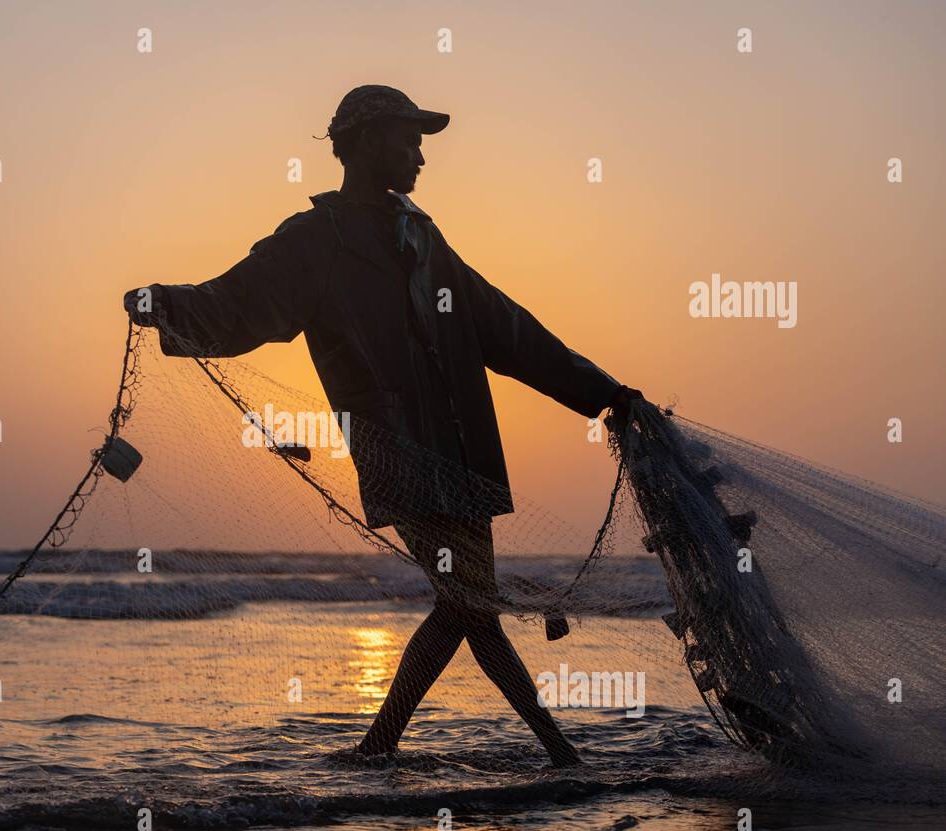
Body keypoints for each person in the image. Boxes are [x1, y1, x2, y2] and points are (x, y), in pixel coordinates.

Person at [124, 85, 643, 767]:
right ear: (366, 143)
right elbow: (240, 302)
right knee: (471, 603)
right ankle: (552, 750)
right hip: (395, 447)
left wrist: (601, 390)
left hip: (463, 449)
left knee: (465, 604)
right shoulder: (314, 243)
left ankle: (385, 747)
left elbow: (504, 326)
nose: (421, 155)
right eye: (409, 139)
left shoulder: (424, 239)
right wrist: (165, 305)